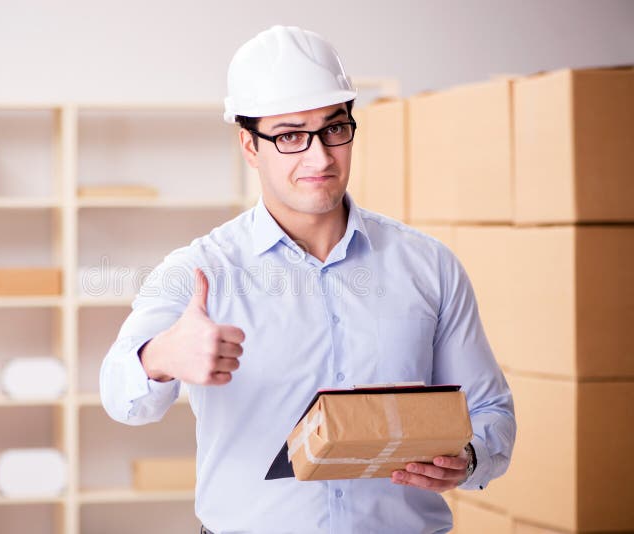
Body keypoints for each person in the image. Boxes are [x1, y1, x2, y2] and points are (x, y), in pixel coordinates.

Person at [100, 25, 515, 534]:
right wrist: (161, 357)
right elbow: (118, 394)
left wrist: (468, 459)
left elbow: (491, 411)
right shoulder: (201, 271)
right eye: (291, 136)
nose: (320, 158)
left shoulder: (430, 266)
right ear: (250, 146)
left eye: (334, 129)